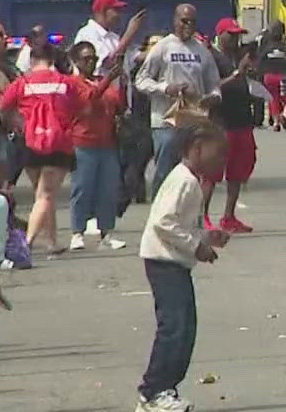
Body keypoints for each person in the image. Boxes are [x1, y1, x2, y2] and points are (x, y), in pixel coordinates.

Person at [137, 120, 230, 412]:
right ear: (197, 149)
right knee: (174, 328)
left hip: (174, 260)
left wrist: (206, 237)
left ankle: (166, 389)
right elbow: (163, 223)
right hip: (164, 261)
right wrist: (196, 247)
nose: (221, 161)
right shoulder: (184, 181)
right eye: (218, 153)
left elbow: (181, 224)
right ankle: (153, 392)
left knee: (185, 327)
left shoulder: (191, 180)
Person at [0, 39, 82, 256]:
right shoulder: (65, 82)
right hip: (58, 142)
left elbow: (1, 107)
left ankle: (51, 241)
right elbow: (79, 107)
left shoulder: (22, 82)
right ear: (52, 60)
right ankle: (28, 243)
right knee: (46, 194)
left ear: (32, 60)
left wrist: (18, 122)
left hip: (30, 142)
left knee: (41, 194)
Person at [134, 5, 224, 199]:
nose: (188, 25)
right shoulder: (163, 47)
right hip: (166, 120)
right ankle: (160, 214)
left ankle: (191, 219)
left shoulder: (202, 51)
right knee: (167, 172)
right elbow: (141, 80)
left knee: (194, 173)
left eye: (192, 21)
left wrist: (214, 97)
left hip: (194, 120)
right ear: (175, 21)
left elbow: (214, 84)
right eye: (184, 21)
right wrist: (166, 88)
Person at [67, 40, 129, 252]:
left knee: (107, 190)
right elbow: (88, 101)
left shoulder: (103, 81)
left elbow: (118, 105)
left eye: (93, 58)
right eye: (86, 59)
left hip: (107, 143)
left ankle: (106, 232)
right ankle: (77, 231)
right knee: (83, 188)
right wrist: (109, 80)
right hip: (83, 143)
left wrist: (121, 83)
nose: (91, 62)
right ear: (76, 61)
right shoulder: (73, 83)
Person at [202, 23, 261, 234]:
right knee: (212, 173)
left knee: (238, 172)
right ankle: (203, 217)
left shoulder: (240, 55)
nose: (236, 39)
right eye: (231, 35)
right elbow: (210, 87)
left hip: (242, 121)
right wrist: (237, 75)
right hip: (221, 122)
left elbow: (248, 81)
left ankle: (229, 216)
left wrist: (251, 79)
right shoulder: (212, 57)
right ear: (221, 35)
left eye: (238, 35)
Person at [74, 0, 145, 78]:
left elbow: (136, 57)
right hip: (100, 89)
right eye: (116, 10)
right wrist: (130, 33)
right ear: (103, 11)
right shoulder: (88, 33)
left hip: (118, 90)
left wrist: (161, 46)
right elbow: (109, 63)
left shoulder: (113, 37)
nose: (119, 15)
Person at [257, 24, 286, 133]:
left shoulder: (266, 48)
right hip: (283, 76)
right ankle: (284, 114)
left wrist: (261, 73)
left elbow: (260, 61)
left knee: (273, 99)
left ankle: (276, 122)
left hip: (269, 76)